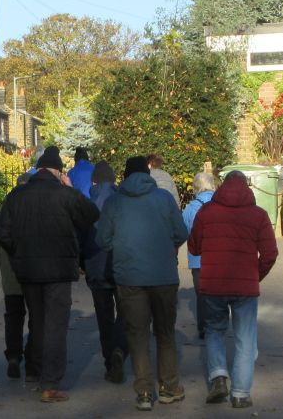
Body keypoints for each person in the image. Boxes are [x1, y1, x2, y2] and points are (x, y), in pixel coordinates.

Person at [0, 147, 99, 403]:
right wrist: (71, 187)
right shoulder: (65, 194)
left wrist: (18, 252)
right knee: (55, 325)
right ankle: (50, 383)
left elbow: (3, 232)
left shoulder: (17, 196)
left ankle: (34, 370)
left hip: (28, 269)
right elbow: (91, 215)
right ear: (58, 172)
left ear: (38, 169)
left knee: (38, 321)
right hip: (59, 270)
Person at [97, 156, 188, 411]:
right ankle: (169, 387)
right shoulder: (164, 199)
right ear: (148, 173)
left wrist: (123, 247)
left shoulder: (114, 202)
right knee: (165, 333)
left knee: (137, 334)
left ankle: (145, 392)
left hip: (129, 277)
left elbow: (102, 239)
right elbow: (181, 233)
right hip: (163, 276)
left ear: (124, 176)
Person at [187, 170, 278, 409]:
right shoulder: (258, 215)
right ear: (247, 187)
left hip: (213, 284)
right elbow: (270, 254)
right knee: (245, 338)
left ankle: (218, 377)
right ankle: (240, 393)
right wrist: (255, 275)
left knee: (215, 331)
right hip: (245, 287)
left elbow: (194, 248)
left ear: (221, 186)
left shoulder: (206, 212)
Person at [0, 177, 36, 382]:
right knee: (36, 318)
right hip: (33, 273)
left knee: (13, 317)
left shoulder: (6, 207)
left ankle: (14, 355)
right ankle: (32, 362)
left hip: (10, 273)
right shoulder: (35, 208)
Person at [79, 161, 128, 385]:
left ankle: (110, 361)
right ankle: (119, 349)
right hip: (119, 265)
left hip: (95, 266)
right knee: (125, 313)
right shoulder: (122, 203)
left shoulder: (87, 204)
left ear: (94, 181)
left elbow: (80, 237)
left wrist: (81, 263)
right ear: (114, 179)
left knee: (104, 317)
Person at [182, 171, 217, 339]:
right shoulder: (221, 205)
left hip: (197, 260)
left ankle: (203, 327)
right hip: (218, 258)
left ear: (196, 188)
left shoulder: (190, 209)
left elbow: (182, 232)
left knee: (202, 295)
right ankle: (217, 323)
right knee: (217, 293)